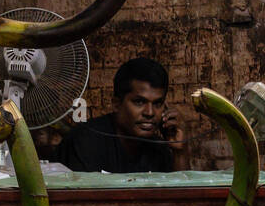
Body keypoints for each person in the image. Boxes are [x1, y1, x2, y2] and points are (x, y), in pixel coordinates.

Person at [41, 57, 184, 173]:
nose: (150, 113)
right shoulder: (86, 141)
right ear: (116, 104)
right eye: (139, 102)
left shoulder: (158, 148)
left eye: (157, 104)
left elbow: (182, 200)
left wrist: (179, 152)